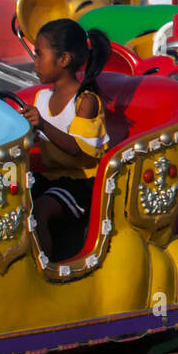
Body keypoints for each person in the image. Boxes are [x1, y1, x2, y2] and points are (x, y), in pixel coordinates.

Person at [22, 19, 111, 260]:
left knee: (40, 209)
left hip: (82, 183)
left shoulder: (86, 100)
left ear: (63, 59)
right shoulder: (41, 98)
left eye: (39, 55)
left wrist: (42, 124)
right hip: (52, 179)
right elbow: (35, 141)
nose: (35, 63)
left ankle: (47, 272)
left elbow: (77, 148)